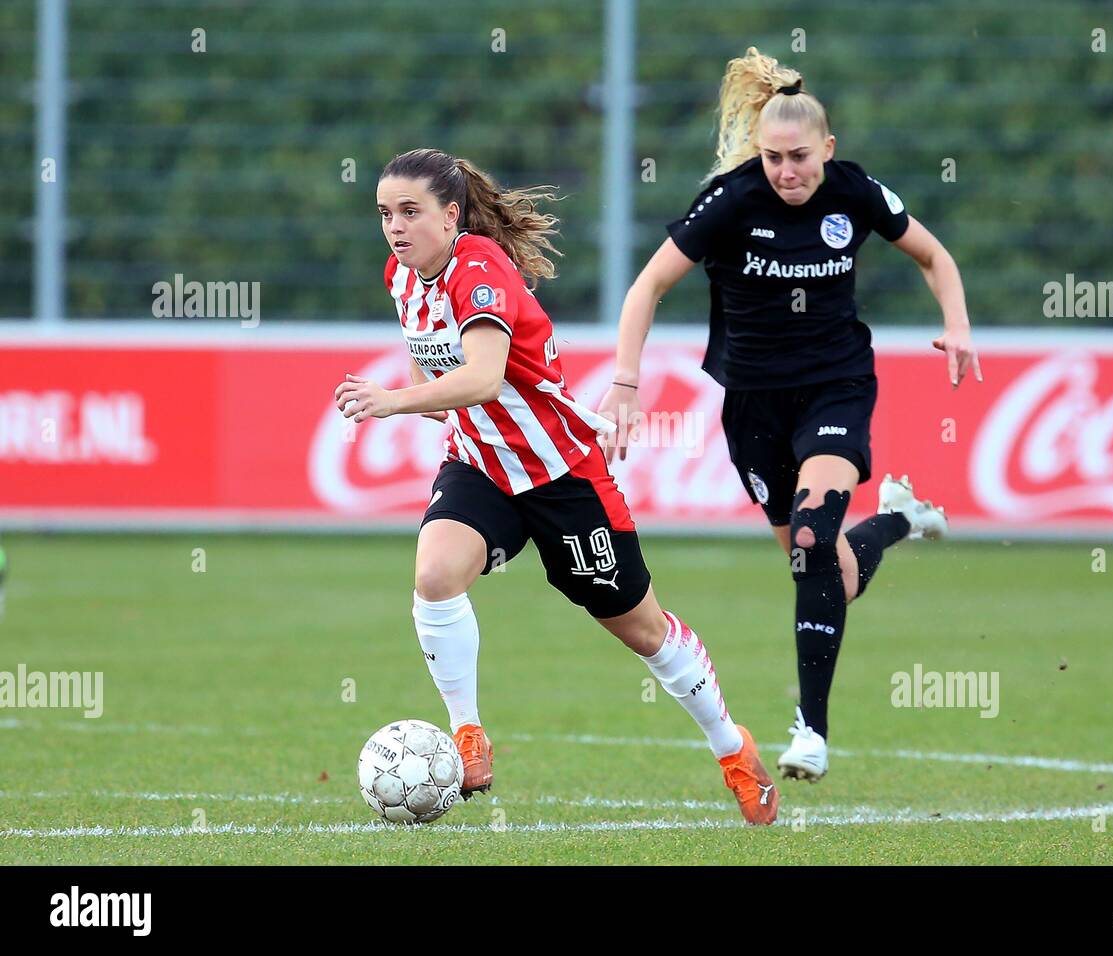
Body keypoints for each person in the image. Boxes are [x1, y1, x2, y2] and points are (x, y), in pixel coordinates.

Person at [334, 148, 778, 825]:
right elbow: (440, 382)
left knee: (644, 631)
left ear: (450, 216)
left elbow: (484, 377)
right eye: (384, 214)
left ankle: (732, 748)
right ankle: (467, 733)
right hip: (481, 466)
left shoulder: (478, 268)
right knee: (435, 574)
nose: (395, 227)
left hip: (562, 476)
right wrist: (416, 401)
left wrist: (390, 401)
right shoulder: (402, 276)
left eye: (410, 212)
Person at [597, 47, 981, 783]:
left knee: (811, 537)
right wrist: (625, 381)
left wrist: (957, 324)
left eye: (799, 157)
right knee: (826, 569)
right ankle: (898, 520)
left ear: (827, 148)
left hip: (836, 388)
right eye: (773, 158)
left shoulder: (855, 192)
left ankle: (812, 731)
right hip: (752, 407)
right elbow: (647, 286)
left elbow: (934, 257)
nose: (786, 171)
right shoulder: (731, 201)